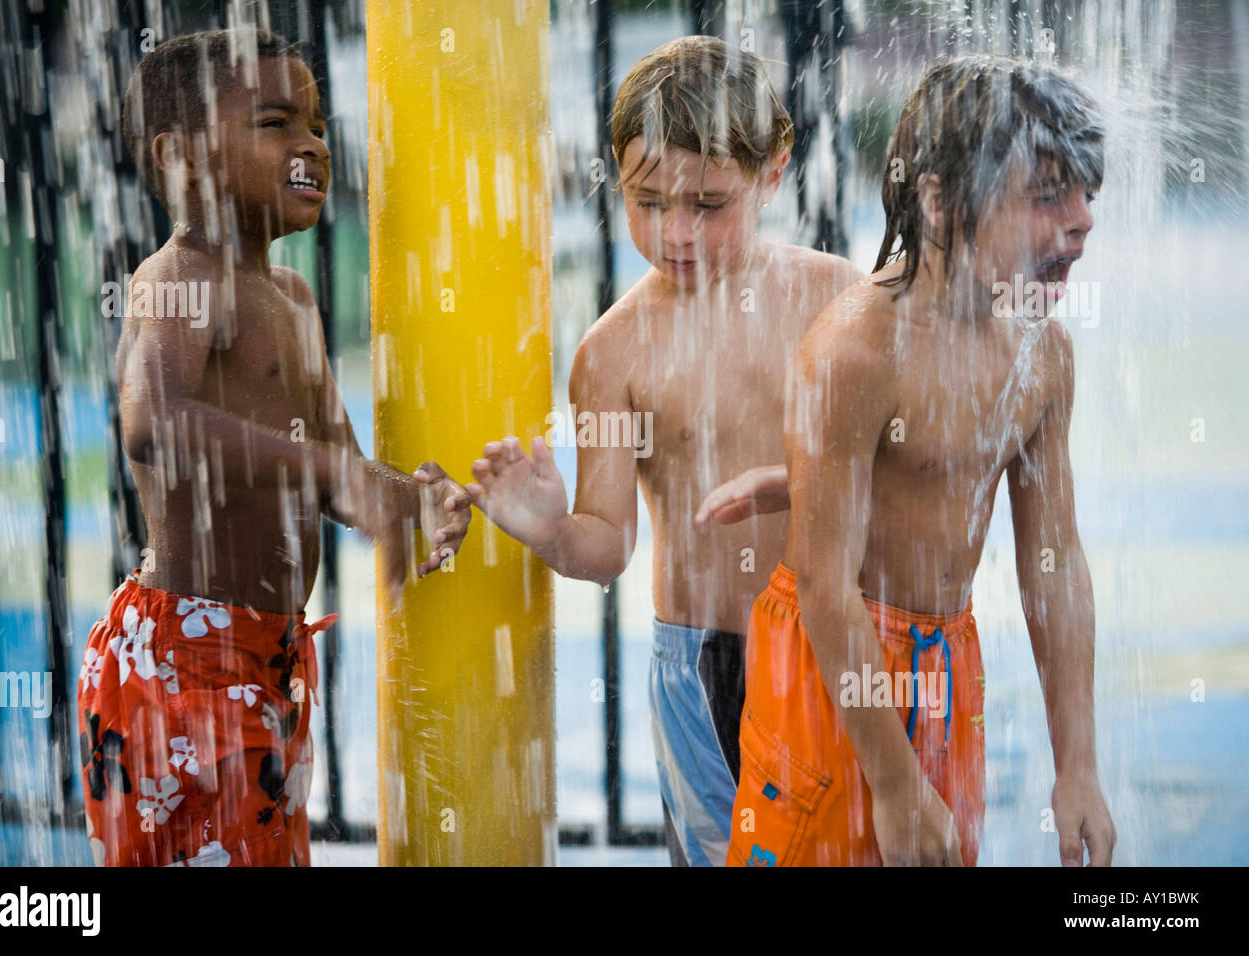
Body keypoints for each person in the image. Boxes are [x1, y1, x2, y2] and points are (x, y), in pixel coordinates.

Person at [465, 35, 862, 866]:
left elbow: (898, 469)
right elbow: (605, 544)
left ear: (774, 170)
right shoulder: (613, 355)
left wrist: (794, 482)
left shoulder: (838, 300)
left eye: (708, 204)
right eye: (647, 202)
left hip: (841, 645)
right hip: (703, 663)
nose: (674, 231)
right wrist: (547, 529)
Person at [79, 28, 471, 866]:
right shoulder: (182, 276)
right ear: (181, 156)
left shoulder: (293, 299)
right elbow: (154, 421)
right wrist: (328, 466)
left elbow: (337, 468)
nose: (311, 146)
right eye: (276, 123)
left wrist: (404, 494)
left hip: (269, 656)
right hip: (189, 658)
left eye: (318, 125)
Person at [726, 54, 1116, 866]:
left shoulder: (1042, 355)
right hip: (830, 667)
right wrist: (896, 787)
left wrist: (1077, 765)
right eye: (1047, 196)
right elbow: (828, 591)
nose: (1080, 221)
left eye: (1087, 194)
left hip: (947, 668)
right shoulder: (857, 352)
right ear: (938, 201)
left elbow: (1053, 563)